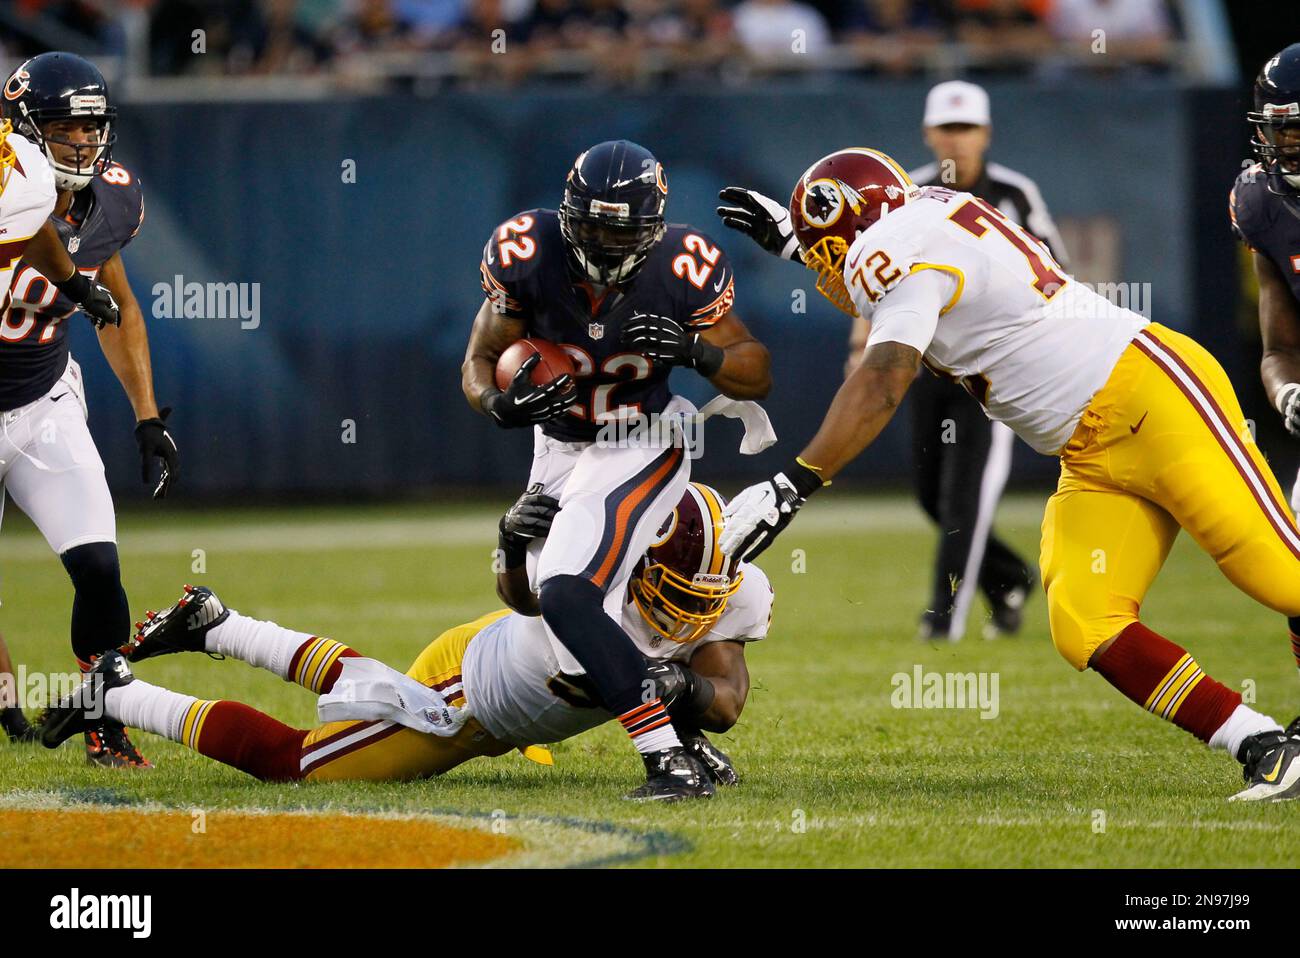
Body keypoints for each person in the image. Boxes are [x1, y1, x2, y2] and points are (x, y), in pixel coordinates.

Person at [720, 146, 1300, 802]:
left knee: (1282, 573)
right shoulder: (925, 215)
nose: (830, 274)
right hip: (1091, 449)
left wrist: (792, 485)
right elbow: (896, 286)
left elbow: (882, 379)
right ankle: (1263, 743)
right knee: (1086, 621)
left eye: (828, 253)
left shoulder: (898, 250)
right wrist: (803, 247)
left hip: (1150, 399)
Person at [41, 484, 772, 799]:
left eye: (700, 599)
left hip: (493, 667)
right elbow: (545, 614)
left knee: (370, 691)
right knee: (297, 766)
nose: (685, 615)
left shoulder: (730, 587)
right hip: (472, 700)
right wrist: (513, 553)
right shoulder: (585, 579)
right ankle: (125, 694)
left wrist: (683, 701)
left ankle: (218, 625)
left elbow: (726, 697)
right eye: (671, 591)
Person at [462, 140, 770, 800]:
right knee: (556, 619)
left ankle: (669, 764)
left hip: (646, 438)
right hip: (560, 446)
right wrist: (497, 404)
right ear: (567, 213)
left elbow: (755, 370)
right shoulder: (526, 250)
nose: (602, 241)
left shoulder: (683, 267)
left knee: (574, 593)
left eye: (617, 228)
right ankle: (682, 736)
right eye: (590, 224)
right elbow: (480, 358)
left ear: (651, 227)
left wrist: (696, 352)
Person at [718, 80, 1064, 642]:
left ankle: (944, 618)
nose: (957, 141)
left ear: (986, 133)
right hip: (928, 362)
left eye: (967, 128)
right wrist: (804, 252)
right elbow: (880, 286)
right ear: (928, 134)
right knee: (934, 496)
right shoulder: (914, 194)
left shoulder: (985, 196)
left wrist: (792, 486)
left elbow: (1047, 267)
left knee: (964, 499)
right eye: (947, 128)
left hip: (992, 367)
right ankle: (1008, 578)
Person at [1, 53, 179, 769]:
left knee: (100, 566)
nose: (81, 143)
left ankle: (106, 719)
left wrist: (147, 414)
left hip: (42, 400)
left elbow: (119, 305)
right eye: (63, 128)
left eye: (89, 128)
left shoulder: (111, 199)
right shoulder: (11, 182)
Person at [1232, 43, 1300, 672]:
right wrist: (1288, 395)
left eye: (1299, 129)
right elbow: (1278, 347)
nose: (1287, 147)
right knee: (1298, 571)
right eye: (1279, 129)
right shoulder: (1262, 201)